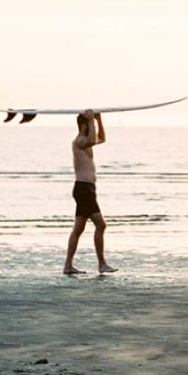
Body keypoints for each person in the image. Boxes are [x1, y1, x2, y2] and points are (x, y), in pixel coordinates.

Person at [64, 109, 116, 275]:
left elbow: (101, 139)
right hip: (83, 189)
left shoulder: (86, 140)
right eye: (89, 124)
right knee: (101, 224)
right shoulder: (79, 141)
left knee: (78, 229)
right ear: (83, 125)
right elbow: (93, 138)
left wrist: (99, 120)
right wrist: (91, 119)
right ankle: (101, 264)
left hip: (87, 189)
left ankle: (68, 266)